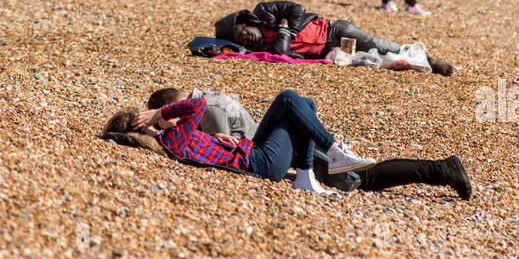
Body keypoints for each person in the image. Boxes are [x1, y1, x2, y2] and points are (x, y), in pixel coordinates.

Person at [140, 87, 472, 198]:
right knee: (361, 178)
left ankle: (441, 170)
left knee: (361, 177)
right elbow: (232, 149)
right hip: (275, 148)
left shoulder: (203, 109)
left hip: (278, 146)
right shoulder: (202, 108)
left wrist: (160, 117)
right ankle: (441, 170)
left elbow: (231, 145)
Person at [118, 90, 377, 192]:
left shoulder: (173, 142)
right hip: (260, 163)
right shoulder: (169, 141)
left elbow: (203, 147)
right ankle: (332, 153)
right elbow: (197, 105)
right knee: (288, 99)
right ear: (149, 127)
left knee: (304, 103)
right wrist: (162, 112)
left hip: (251, 152)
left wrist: (217, 139)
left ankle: (306, 175)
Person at [213, 0, 453, 76]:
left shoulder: (263, 11)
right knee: (379, 62)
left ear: (244, 23)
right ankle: (415, 65)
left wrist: (290, 31)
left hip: (334, 30)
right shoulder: (264, 46)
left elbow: (296, 9)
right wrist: (285, 30)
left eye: (244, 33)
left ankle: (431, 61)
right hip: (327, 51)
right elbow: (281, 55)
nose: (248, 39)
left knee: (379, 44)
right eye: (242, 41)